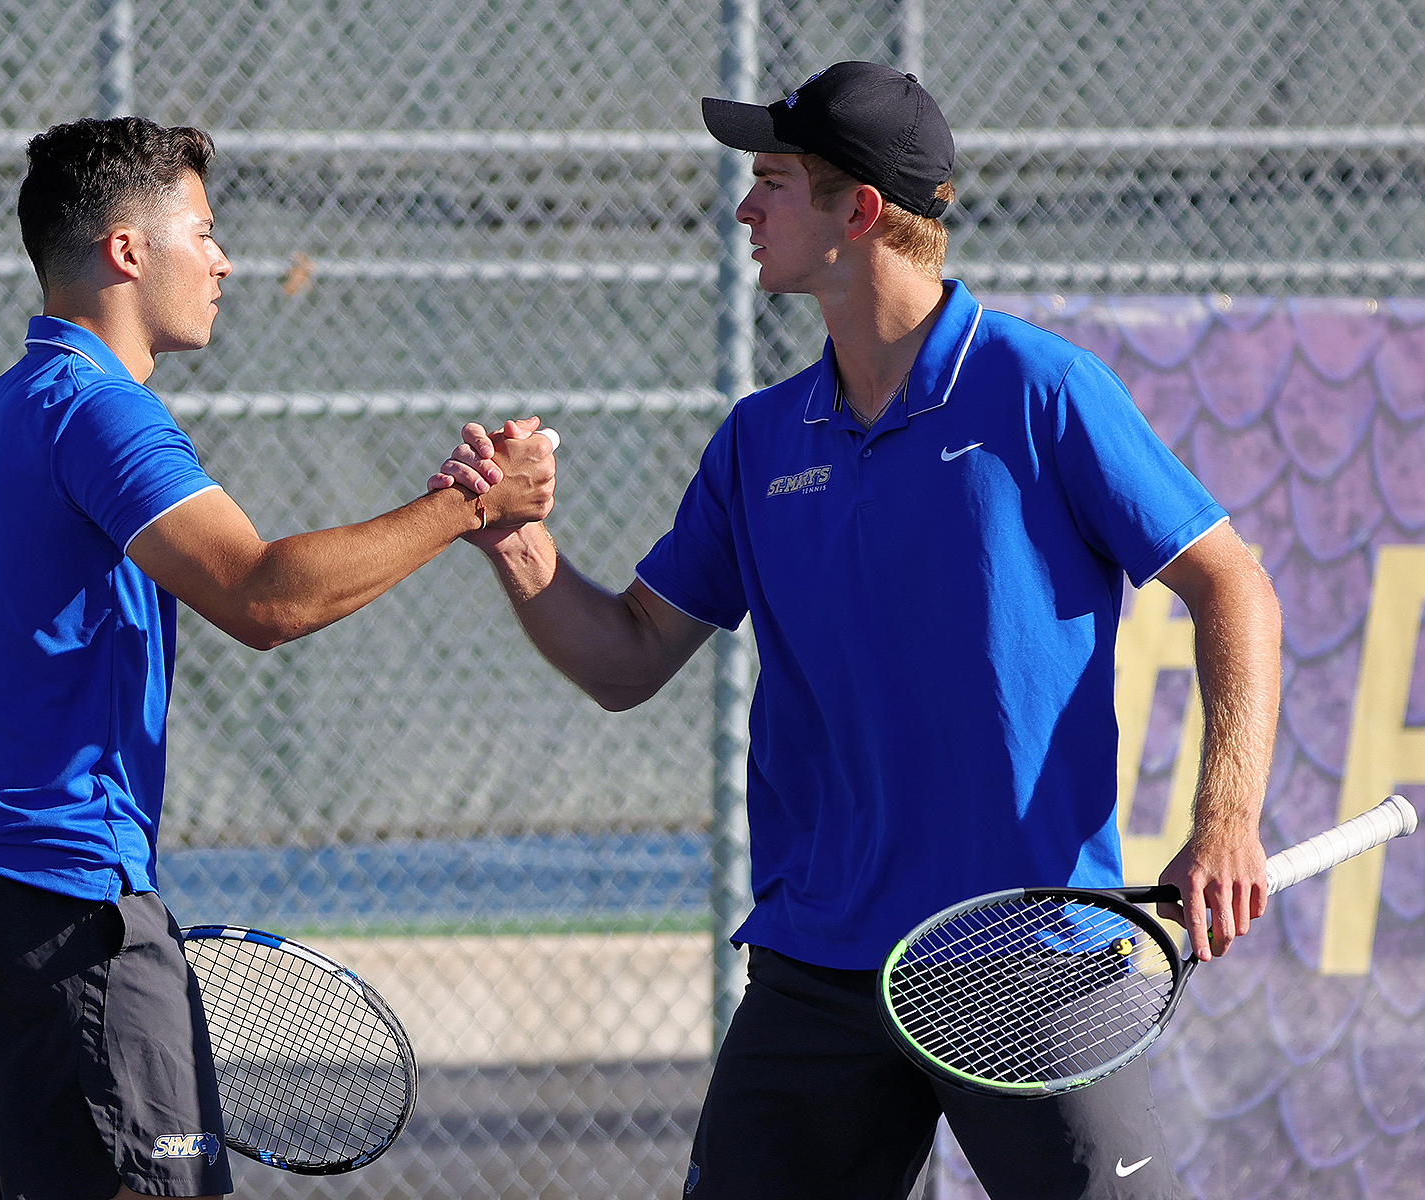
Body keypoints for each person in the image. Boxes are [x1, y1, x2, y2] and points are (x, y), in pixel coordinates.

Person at [432, 63, 1281, 1200]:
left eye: (772, 183)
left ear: (861, 211)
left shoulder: (1044, 392)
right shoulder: (758, 438)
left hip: (1027, 959)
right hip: (817, 971)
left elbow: (1234, 586)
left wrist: (1226, 817)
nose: (744, 210)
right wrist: (515, 545)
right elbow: (628, 658)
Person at [0, 116, 555, 1200]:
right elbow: (263, 596)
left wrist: (1, 827)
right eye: (202, 229)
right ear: (126, 250)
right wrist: (470, 505)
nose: (227, 257)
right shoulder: (104, 416)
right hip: (59, 913)